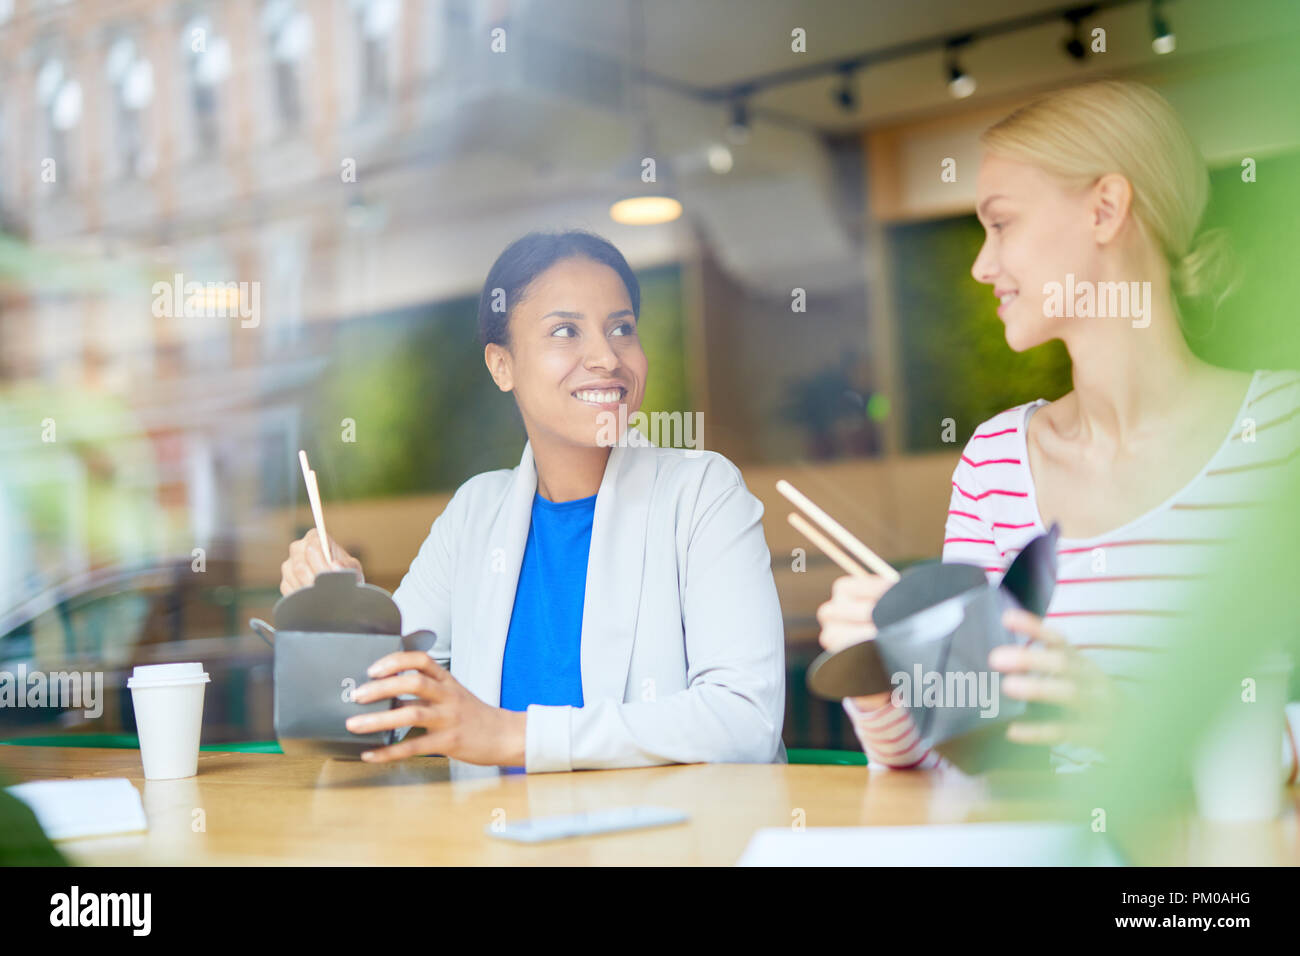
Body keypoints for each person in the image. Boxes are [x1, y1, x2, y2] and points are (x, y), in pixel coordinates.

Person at [817, 80, 1300, 773]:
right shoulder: (993, 462)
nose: (983, 266)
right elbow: (946, 757)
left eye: (1001, 223)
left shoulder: (1282, 432)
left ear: (1106, 208)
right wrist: (879, 675)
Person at [280, 230, 786, 773]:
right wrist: (346, 624)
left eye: (621, 329)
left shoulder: (703, 492)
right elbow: (370, 714)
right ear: (502, 366)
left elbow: (744, 721)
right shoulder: (475, 513)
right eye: (566, 331)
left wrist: (513, 736)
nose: (606, 357)